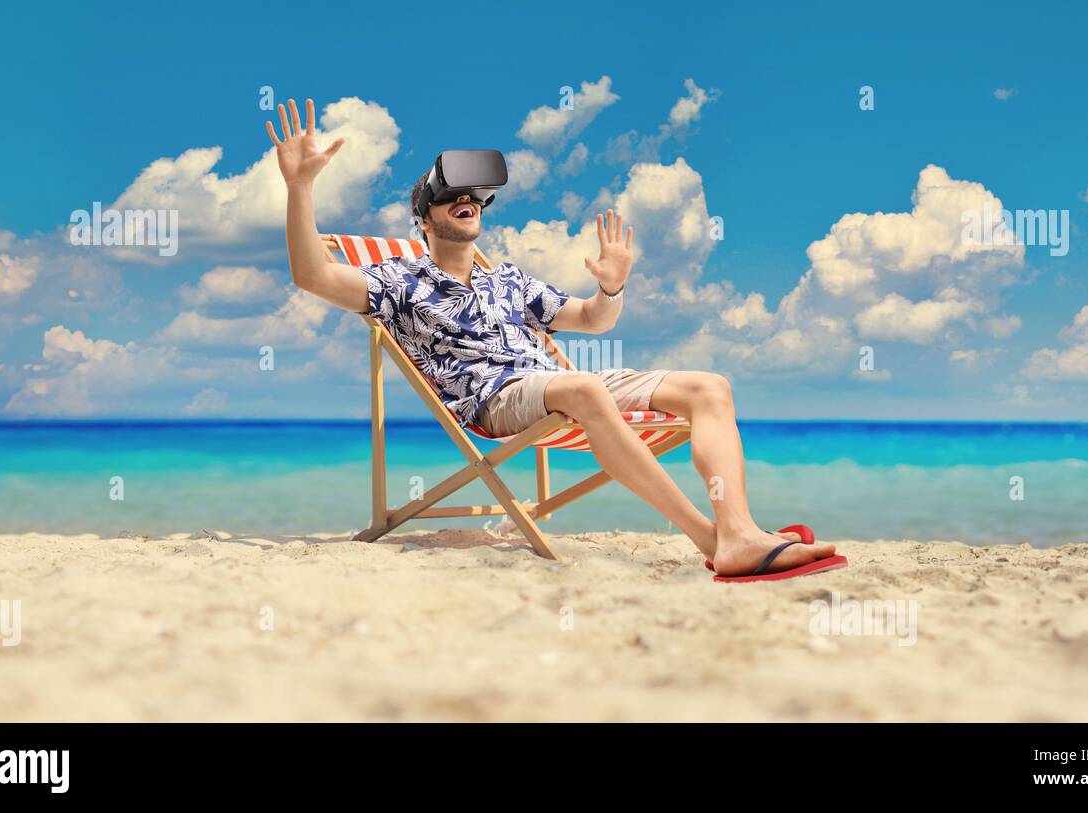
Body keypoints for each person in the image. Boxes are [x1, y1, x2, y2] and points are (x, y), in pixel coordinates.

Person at [266, 98, 841, 578]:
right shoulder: (398, 280)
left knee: (709, 387)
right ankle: (709, 541)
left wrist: (611, 290)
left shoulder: (508, 279)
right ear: (425, 217)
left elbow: (591, 321)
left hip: (559, 386)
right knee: (583, 391)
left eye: (475, 197)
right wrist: (300, 187)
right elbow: (311, 275)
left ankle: (738, 530)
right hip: (496, 398)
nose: (467, 202)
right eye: (451, 197)